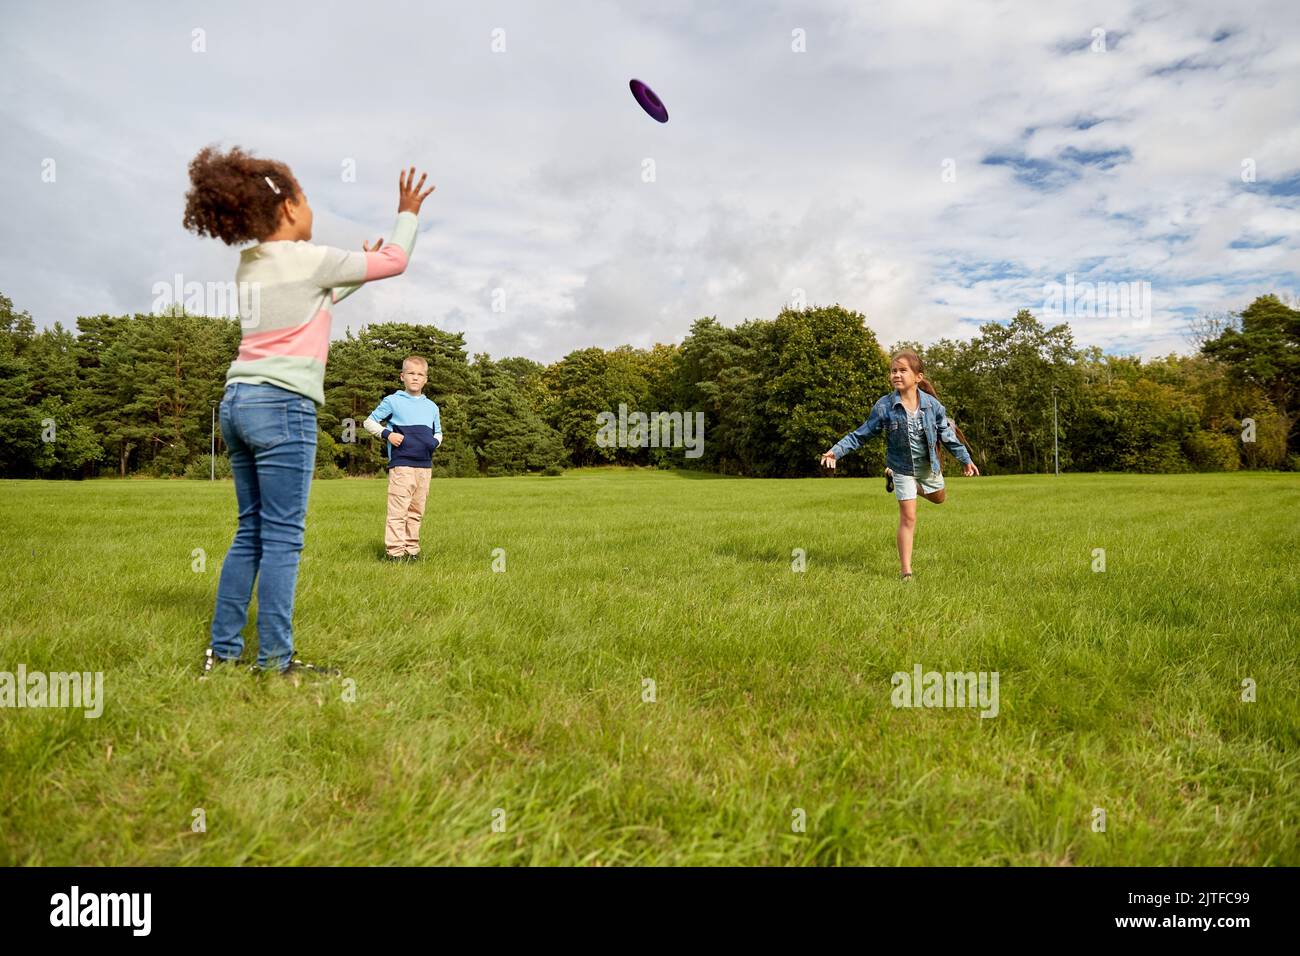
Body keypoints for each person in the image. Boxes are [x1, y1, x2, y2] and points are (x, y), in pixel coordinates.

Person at [182, 145, 435, 675]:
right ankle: (275, 660)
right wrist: (407, 212)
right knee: (282, 537)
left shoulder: (250, 266)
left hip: (238, 403)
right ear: (291, 208)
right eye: (308, 197)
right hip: (282, 407)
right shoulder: (313, 258)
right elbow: (395, 261)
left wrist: (351, 277)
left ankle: (223, 653)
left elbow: (313, 305)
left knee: (249, 529)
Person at [820, 350, 979, 580]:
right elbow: (860, 435)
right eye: (893, 370)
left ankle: (899, 481)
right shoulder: (884, 407)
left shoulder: (932, 405)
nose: (897, 374)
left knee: (939, 498)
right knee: (908, 517)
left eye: (903, 370)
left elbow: (947, 435)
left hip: (927, 466)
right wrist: (836, 451)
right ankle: (906, 572)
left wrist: (965, 459)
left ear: (918, 376)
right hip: (901, 467)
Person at [363, 355, 443, 561]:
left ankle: (412, 551)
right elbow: (368, 422)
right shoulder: (392, 401)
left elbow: (438, 433)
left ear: (425, 379)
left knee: (416, 511)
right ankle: (395, 553)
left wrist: (434, 443)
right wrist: (387, 434)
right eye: (411, 374)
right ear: (402, 377)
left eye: (420, 374)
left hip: (424, 467)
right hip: (401, 465)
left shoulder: (432, 407)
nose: (415, 378)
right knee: (399, 510)